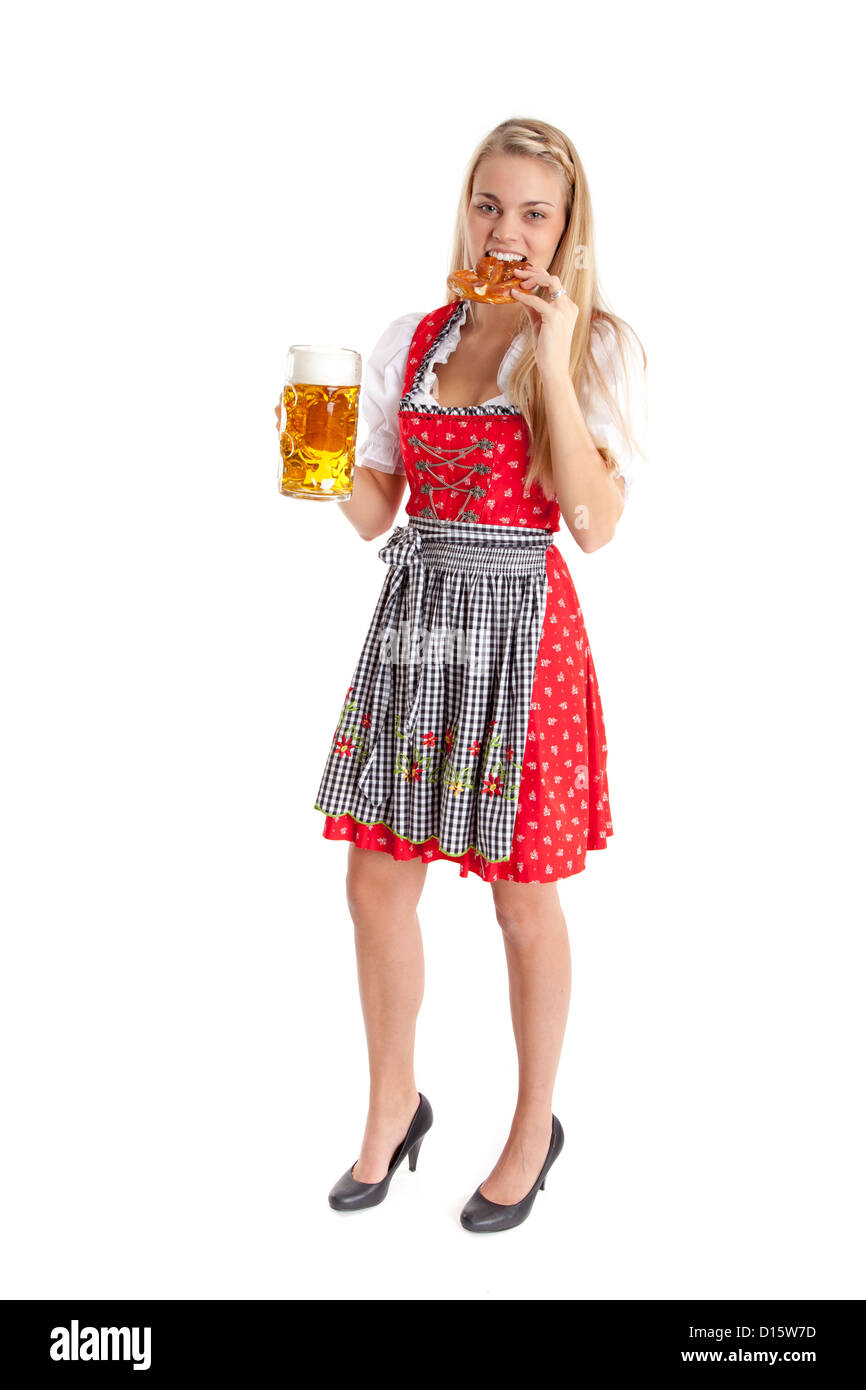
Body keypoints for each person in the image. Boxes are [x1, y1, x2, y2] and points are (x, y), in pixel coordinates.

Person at [277, 117, 647, 1233]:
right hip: (418, 620)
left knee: (520, 894)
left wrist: (548, 352)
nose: (507, 231)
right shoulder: (415, 337)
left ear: (568, 229)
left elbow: (593, 527)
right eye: (490, 205)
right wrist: (316, 462)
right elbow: (375, 512)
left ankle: (534, 1126)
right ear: (466, 207)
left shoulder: (589, 349)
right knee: (374, 879)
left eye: (535, 213)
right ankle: (395, 1102)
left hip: (522, 627)